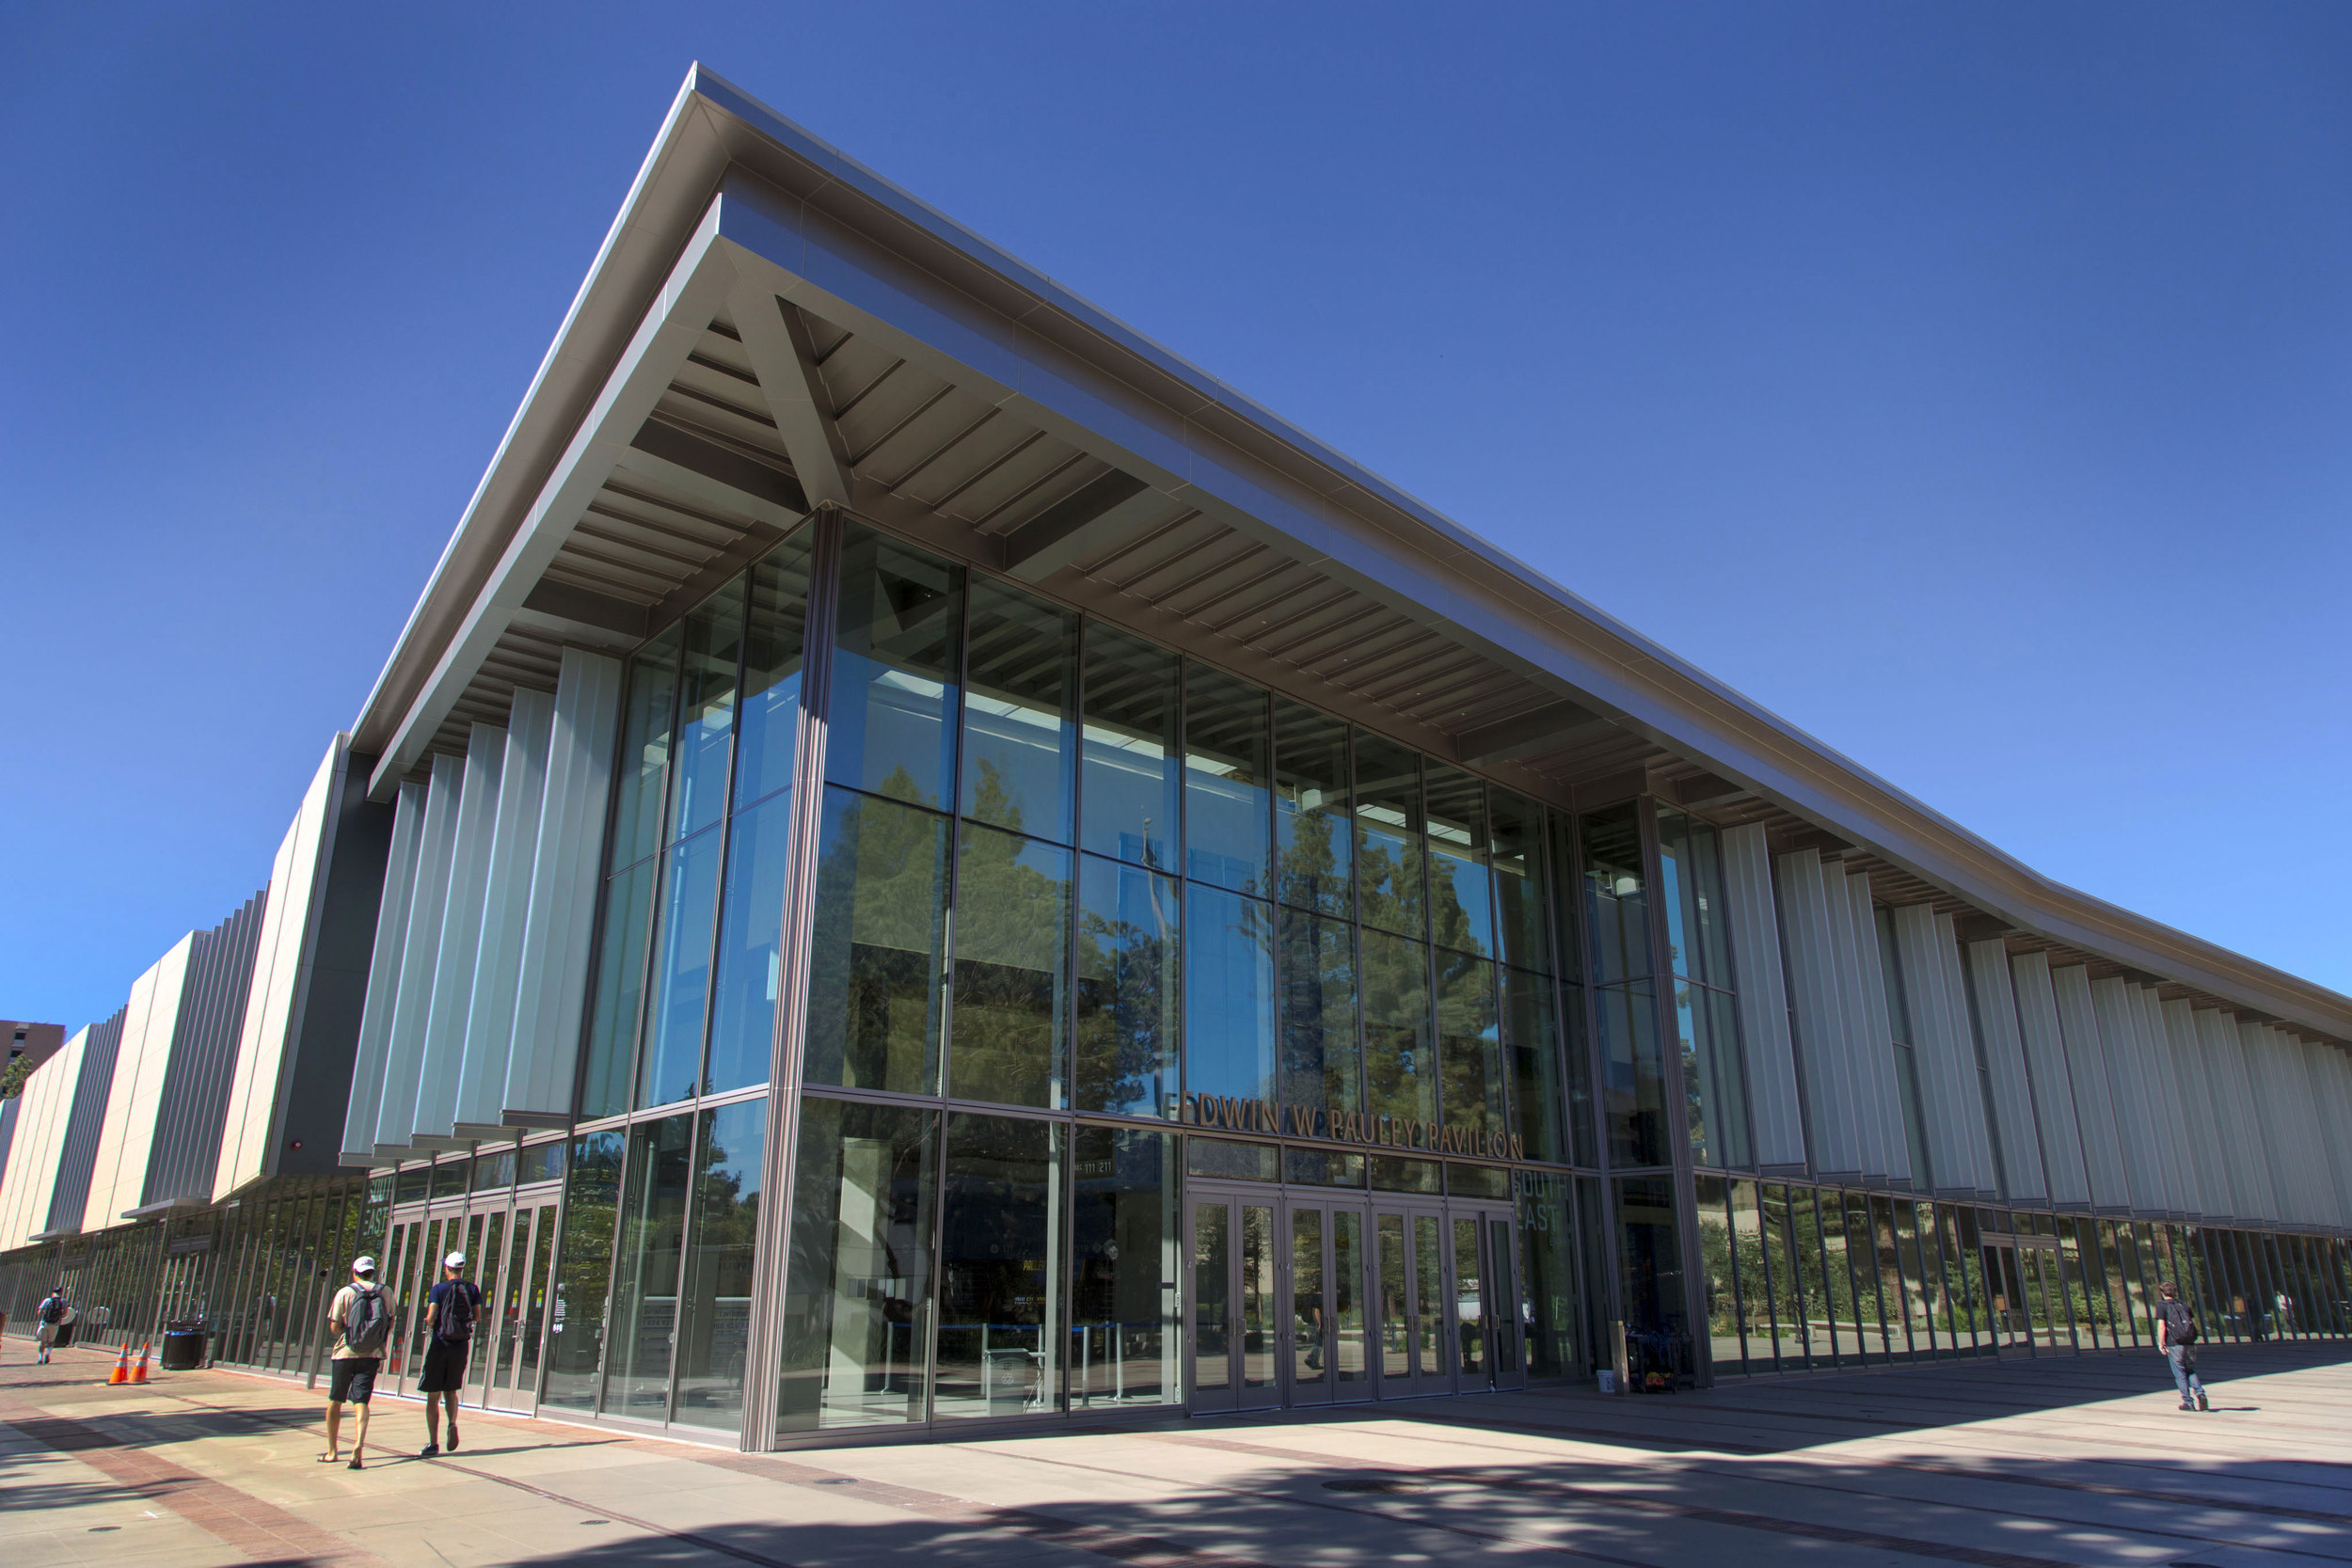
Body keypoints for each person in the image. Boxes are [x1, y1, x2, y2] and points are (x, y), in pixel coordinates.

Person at [323, 1257, 391, 1469]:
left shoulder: (345, 1292)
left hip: (345, 1353)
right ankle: (359, 1445)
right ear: (372, 1272)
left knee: (335, 1400)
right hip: (371, 1355)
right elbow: (389, 1322)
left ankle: (332, 1451)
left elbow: (334, 1329)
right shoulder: (385, 1292)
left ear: (355, 1272)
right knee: (361, 1402)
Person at [416, 1251, 483, 1458]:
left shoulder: (438, 1289)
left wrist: (429, 1322)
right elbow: (477, 1316)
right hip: (460, 1345)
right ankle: (452, 1422)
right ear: (461, 1268)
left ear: (447, 1268)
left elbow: (431, 1316)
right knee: (451, 1390)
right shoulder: (472, 1289)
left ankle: (433, 1442)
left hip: (440, 1344)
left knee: (433, 1395)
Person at [2154, 1281, 2208, 1413]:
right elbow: (2193, 1323)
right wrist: (2193, 1339)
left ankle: (2188, 1402)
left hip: (2174, 1343)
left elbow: (2162, 1326)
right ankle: (2200, 1393)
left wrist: (2161, 1343)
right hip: (2188, 1342)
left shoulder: (2162, 1306)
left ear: (2162, 1293)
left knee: (2180, 1373)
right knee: (2190, 1369)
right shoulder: (2183, 1304)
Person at [35, 1285, 69, 1365]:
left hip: (44, 1323)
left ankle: (40, 1359)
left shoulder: (47, 1300)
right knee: (51, 1341)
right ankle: (48, 1354)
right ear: (61, 1292)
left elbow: (39, 1312)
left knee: (42, 1342)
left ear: (53, 1293)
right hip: (55, 1324)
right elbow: (65, 1314)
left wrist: (46, 1313)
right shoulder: (63, 1301)